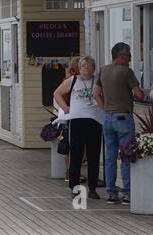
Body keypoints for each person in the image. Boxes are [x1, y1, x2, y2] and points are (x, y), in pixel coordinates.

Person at [94, 42, 144, 204]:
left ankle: (111, 192)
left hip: (108, 118)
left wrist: (105, 109)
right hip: (123, 117)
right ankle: (127, 192)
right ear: (121, 56)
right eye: (128, 56)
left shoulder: (103, 70)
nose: (130, 59)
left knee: (110, 156)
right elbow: (139, 95)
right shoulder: (126, 72)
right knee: (126, 155)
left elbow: (95, 93)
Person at [53, 55, 103, 200]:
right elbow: (57, 93)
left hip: (94, 120)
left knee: (94, 155)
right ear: (79, 68)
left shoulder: (97, 81)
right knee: (76, 155)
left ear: (94, 68)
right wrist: (65, 107)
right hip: (77, 120)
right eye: (83, 66)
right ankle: (74, 187)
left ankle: (92, 188)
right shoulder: (73, 80)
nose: (86, 69)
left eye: (89, 66)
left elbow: (103, 97)